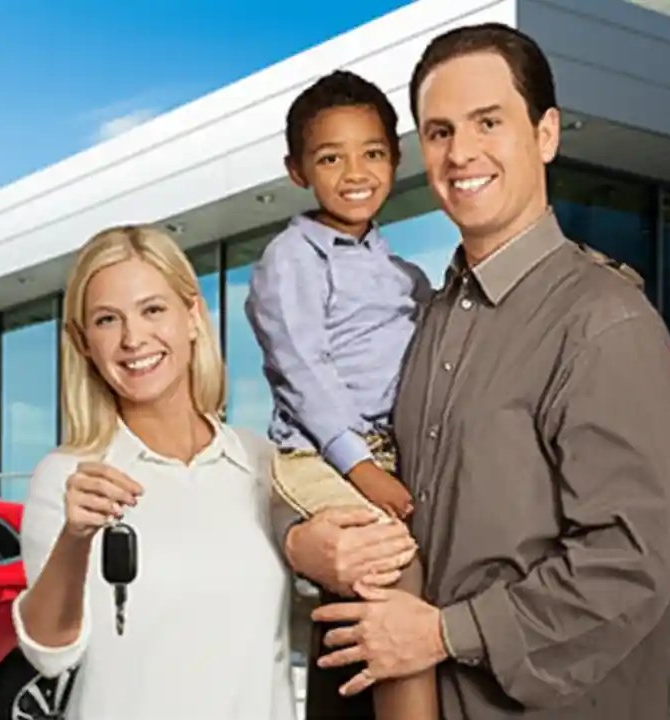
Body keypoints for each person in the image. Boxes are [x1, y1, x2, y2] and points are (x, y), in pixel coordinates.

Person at [290, 22, 670, 719]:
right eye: (439, 132)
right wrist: (305, 540)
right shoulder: (422, 320)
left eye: (487, 122)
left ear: (547, 134)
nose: (461, 152)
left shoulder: (605, 324)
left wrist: (444, 632)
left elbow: (631, 561)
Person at [10, 224, 297, 719]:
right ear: (84, 344)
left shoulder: (261, 464)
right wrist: (76, 538)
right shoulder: (67, 478)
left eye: (152, 310)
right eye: (106, 320)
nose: (132, 339)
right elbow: (48, 651)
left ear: (192, 317)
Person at [246, 69, 436, 720]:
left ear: (395, 158)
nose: (355, 172)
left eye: (373, 153)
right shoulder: (292, 258)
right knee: (387, 565)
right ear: (298, 170)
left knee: (367, 600)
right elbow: (305, 368)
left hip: (384, 455)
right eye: (331, 157)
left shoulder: (399, 272)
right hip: (323, 458)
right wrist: (359, 465)